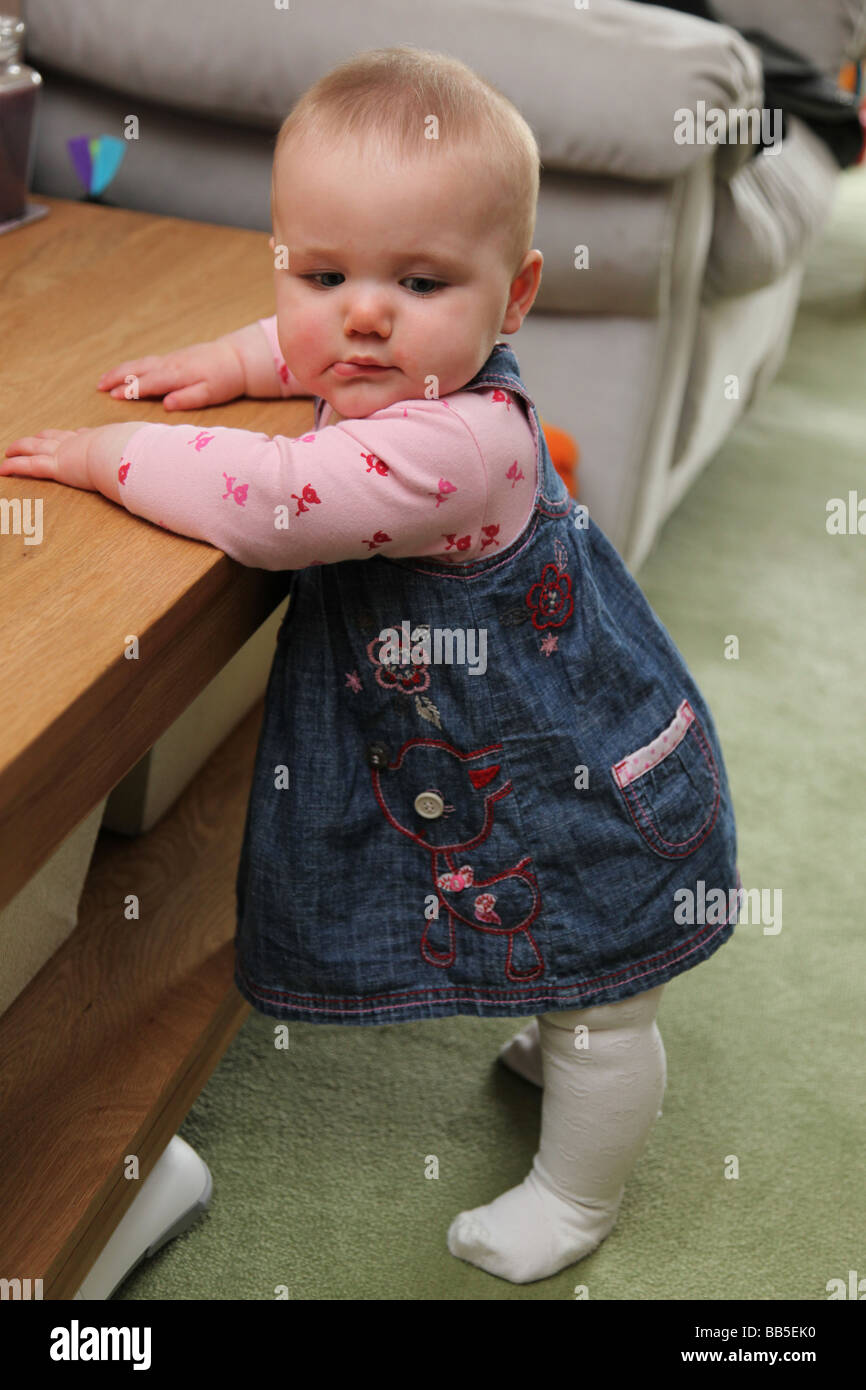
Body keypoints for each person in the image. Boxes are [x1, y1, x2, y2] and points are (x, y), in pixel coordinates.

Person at [2, 46, 741, 1285]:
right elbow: (314, 348)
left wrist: (102, 452)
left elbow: (277, 499)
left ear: (513, 298)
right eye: (322, 272)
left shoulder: (456, 447)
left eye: (418, 280)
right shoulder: (386, 356)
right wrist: (233, 364)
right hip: (503, 758)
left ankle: (575, 1194)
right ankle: (552, 1017)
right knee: (565, 971)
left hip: (579, 782)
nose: (361, 315)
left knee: (607, 1005)